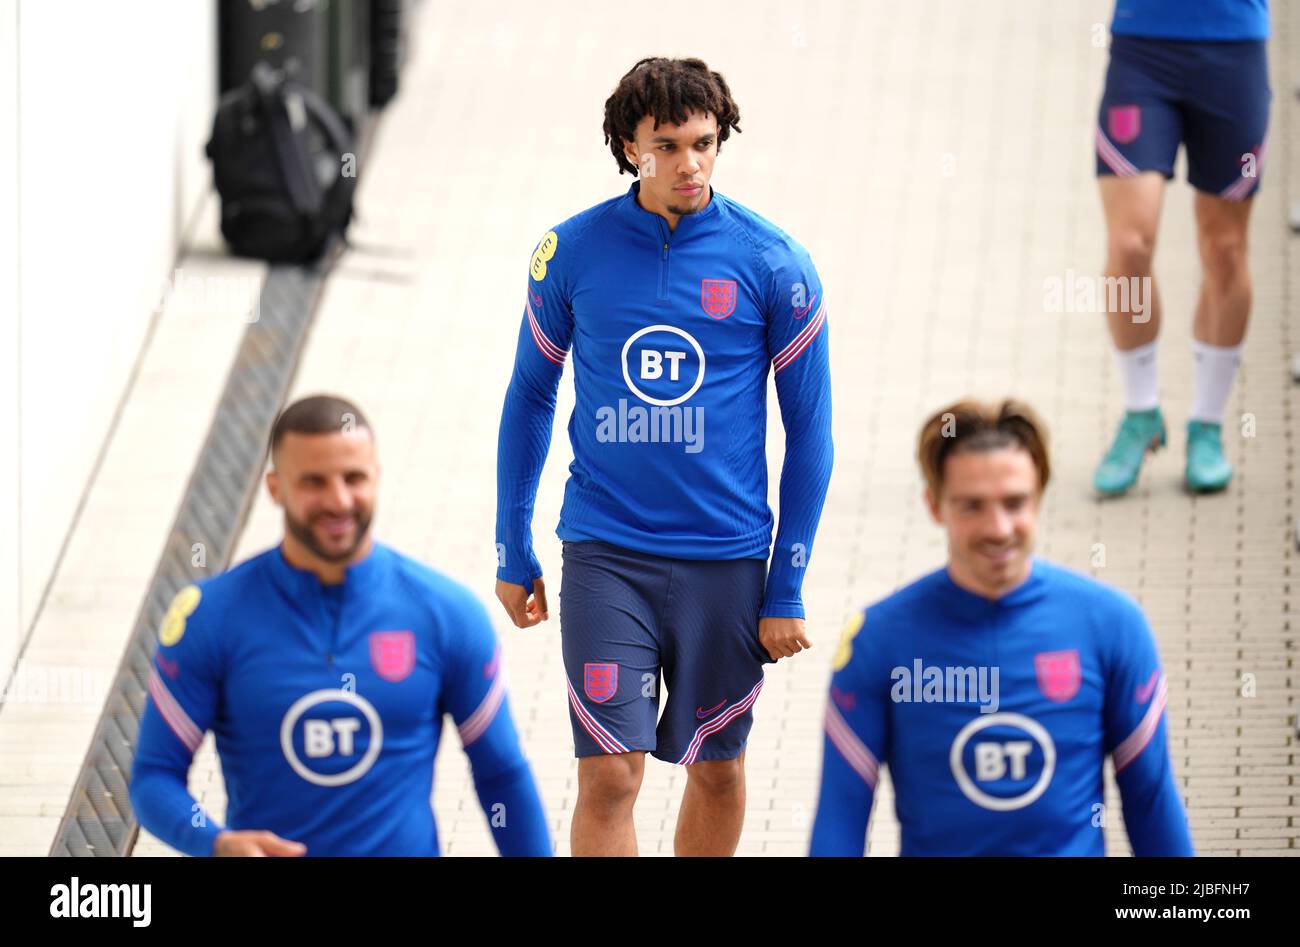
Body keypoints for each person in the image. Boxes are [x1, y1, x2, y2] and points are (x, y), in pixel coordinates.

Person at [494, 57, 834, 856]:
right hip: (607, 555)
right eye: (668, 145)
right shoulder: (569, 253)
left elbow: (811, 432)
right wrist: (515, 545)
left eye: (705, 144)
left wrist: (786, 583)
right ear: (626, 146)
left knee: (716, 768)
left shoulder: (775, 264)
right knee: (610, 776)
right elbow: (530, 396)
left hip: (728, 562)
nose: (690, 164)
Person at [131, 395, 552, 856]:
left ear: (376, 478)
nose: (338, 500)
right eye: (314, 482)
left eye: (354, 478)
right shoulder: (211, 617)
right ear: (274, 488)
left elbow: (502, 774)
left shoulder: (447, 616)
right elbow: (155, 775)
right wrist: (214, 842)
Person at [810, 399, 1193, 855]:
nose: (998, 527)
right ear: (935, 506)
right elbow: (840, 818)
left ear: (1040, 496)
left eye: (1015, 503)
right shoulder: (879, 641)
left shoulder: (1112, 626)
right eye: (972, 506)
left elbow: (1151, 800)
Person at [1092, 0, 1271, 495]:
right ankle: (1140, 411)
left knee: (1226, 248)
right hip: (1143, 50)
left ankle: (1207, 425)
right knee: (1130, 243)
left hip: (1234, 52)